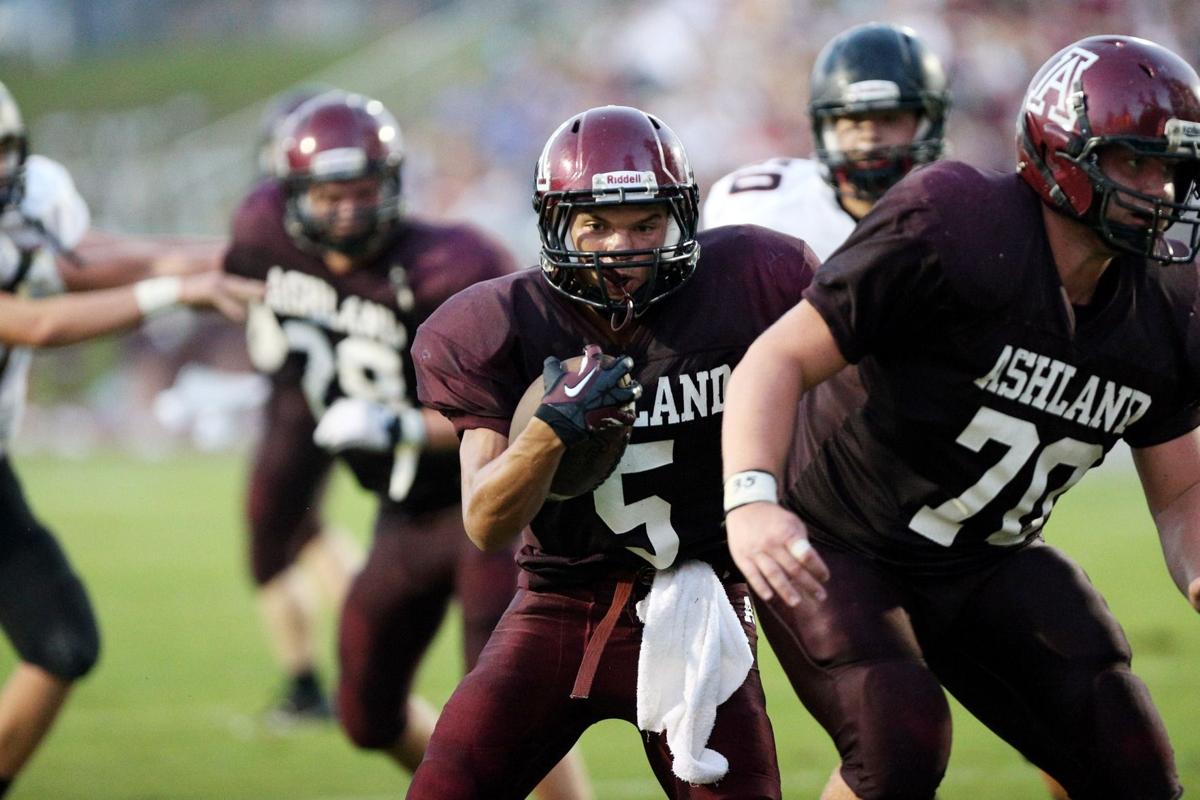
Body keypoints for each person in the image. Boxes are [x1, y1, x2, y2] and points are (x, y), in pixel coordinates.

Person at [721, 34, 1200, 800]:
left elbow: (1181, 490)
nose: (1161, 191)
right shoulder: (956, 225)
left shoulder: (1168, 307)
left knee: (1126, 753)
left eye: (1171, 168)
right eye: (1132, 162)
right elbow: (776, 359)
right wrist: (751, 500)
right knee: (898, 741)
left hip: (982, 556)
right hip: (841, 537)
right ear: (1062, 151)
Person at [399, 104, 820, 800]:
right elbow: (486, 521)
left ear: (679, 219)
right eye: (596, 223)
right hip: (558, 605)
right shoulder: (499, 323)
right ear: (558, 224)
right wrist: (551, 428)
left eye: (644, 223)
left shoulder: (753, 279)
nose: (621, 246)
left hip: (702, 597)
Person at [224, 90, 590, 797]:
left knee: (514, 711)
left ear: (392, 184)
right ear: (292, 194)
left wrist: (400, 426)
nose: (349, 210)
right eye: (330, 194)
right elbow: (227, 280)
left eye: (363, 191)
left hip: (486, 509)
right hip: (398, 518)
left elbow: (529, 405)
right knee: (365, 714)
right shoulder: (265, 233)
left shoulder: (454, 262)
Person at [0, 78, 262, 798]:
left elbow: (109, 257)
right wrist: (172, 291)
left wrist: (251, 253)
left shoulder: (30, 207)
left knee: (63, 643)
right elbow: (38, 323)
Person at [230, 82, 365, 726]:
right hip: (327, 396)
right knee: (304, 531)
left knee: (267, 543)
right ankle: (343, 662)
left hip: (299, 405)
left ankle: (318, 678)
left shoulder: (267, 219)